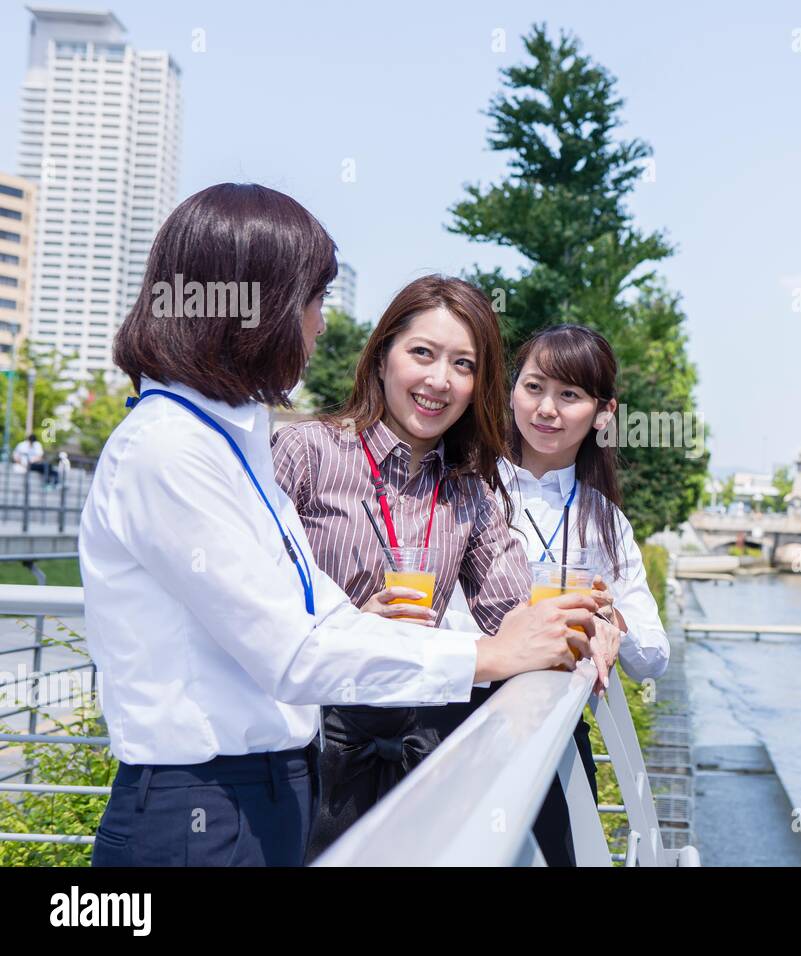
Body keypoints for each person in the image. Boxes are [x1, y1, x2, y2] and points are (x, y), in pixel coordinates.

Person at [79, 183, 598, 867]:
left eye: (464, 364)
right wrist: (484, 656)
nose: (319, 325)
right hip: (206, 804)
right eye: (313, 302)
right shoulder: (172, 451)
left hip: (273, 788)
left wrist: (568, 626)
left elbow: (319, 616)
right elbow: (293, 651)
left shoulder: (229, 442)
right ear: (253, 308)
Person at [270, 274, 620, 861]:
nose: (439, 380)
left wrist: (589, 622)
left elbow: (514, 611)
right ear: (382, 356)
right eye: (422, 354)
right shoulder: (306, 452)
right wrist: (349, 621)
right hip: (309, 751)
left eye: (463, 364)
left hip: (427, 757)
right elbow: (257, 604)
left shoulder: (471, 490)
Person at [445, 323, 670, 863]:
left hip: (556, 745)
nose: (546, 409)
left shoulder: (606, 520)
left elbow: (653, 660)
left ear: (603, 413)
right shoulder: (463, 487)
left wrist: (611, 618)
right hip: (453, 734)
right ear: (512, 390)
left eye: (569, 395)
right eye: (533, 387)